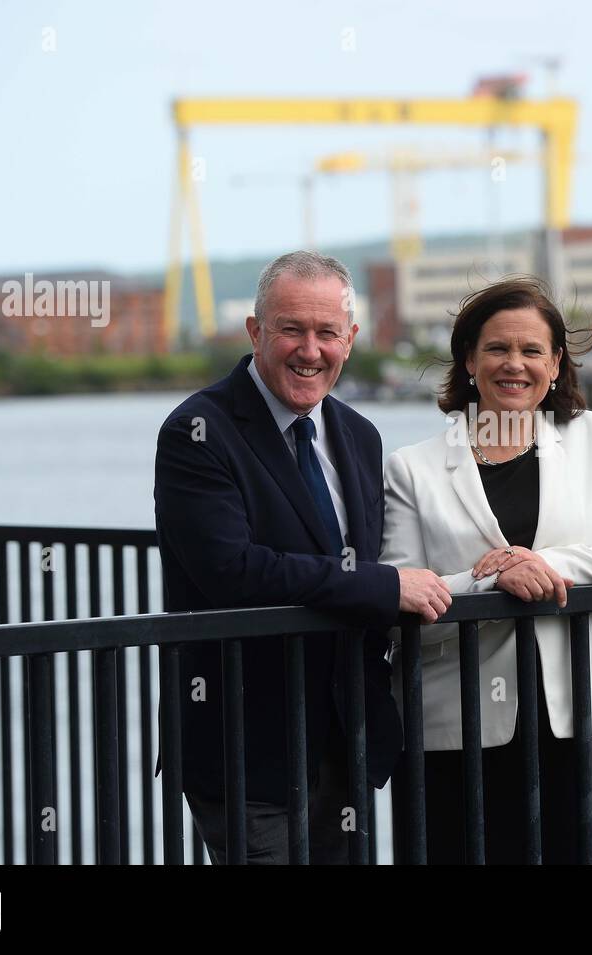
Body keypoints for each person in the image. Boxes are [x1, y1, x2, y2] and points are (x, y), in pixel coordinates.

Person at [153, 251, 451, 864]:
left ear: (351, 339)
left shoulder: (359, 434)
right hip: (245, 741)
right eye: (291, 329)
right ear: (256, 331)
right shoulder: (195, 431)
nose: (310, 350)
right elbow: (231, 571)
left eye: (327, 333)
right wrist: (381, 586)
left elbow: (380, 553)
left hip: (344, 739)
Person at [380, 276, 592, 864]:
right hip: (455, 729)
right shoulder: (411, 469)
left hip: (577, 722)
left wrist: (544, 566)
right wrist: (487, 582)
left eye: (533, 350)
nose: (515, 364)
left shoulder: (590, 438)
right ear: (468, 360)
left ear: (557, 363)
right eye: (497, 349)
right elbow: (396, 609)